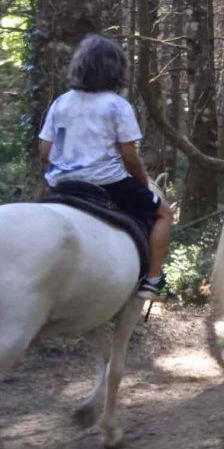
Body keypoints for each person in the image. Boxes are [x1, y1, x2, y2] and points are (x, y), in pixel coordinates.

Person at [38, 34, 173, 301]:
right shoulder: (117, 105)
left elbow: (45, 150)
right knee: (164, 213)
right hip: (107, 182)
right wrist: (142, 181)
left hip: (62, 184)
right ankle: (154, 280)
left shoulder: (61, 102)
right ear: (115, 70)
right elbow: (129, 156)